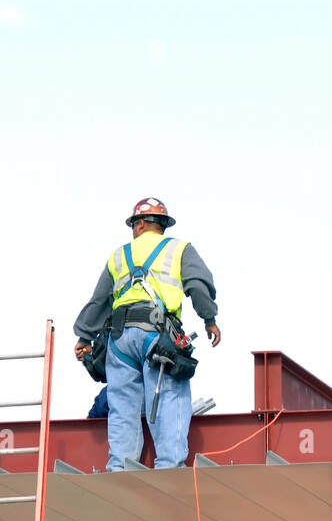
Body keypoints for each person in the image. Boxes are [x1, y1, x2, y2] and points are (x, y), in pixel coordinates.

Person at [73, 198, 221, 470]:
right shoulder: (180, 249)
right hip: (158, 336)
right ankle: (168, 469)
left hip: (119, 339)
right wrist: (209, 318)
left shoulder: (118, 256)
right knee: (168, 399)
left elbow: (99, 301)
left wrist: (83, 337)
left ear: (139, 224)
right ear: (162, 225)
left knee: (122, 409)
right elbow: (198, 285)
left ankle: (120, 471)